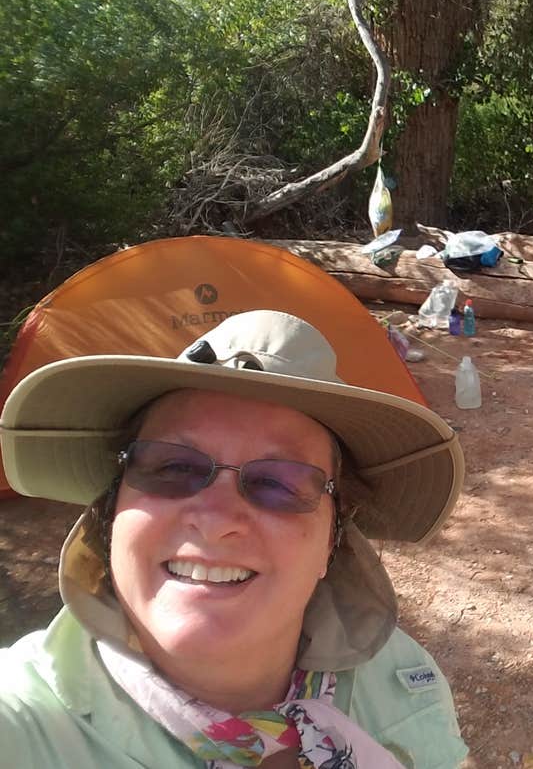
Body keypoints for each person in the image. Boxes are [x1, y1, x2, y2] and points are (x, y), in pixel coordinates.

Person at [0, 310, 469, 769]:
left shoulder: (401, 674)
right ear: (112, 508)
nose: (215, 519)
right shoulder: (23, 723)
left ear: (332, 538)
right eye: (173, 467)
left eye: (279, 483)